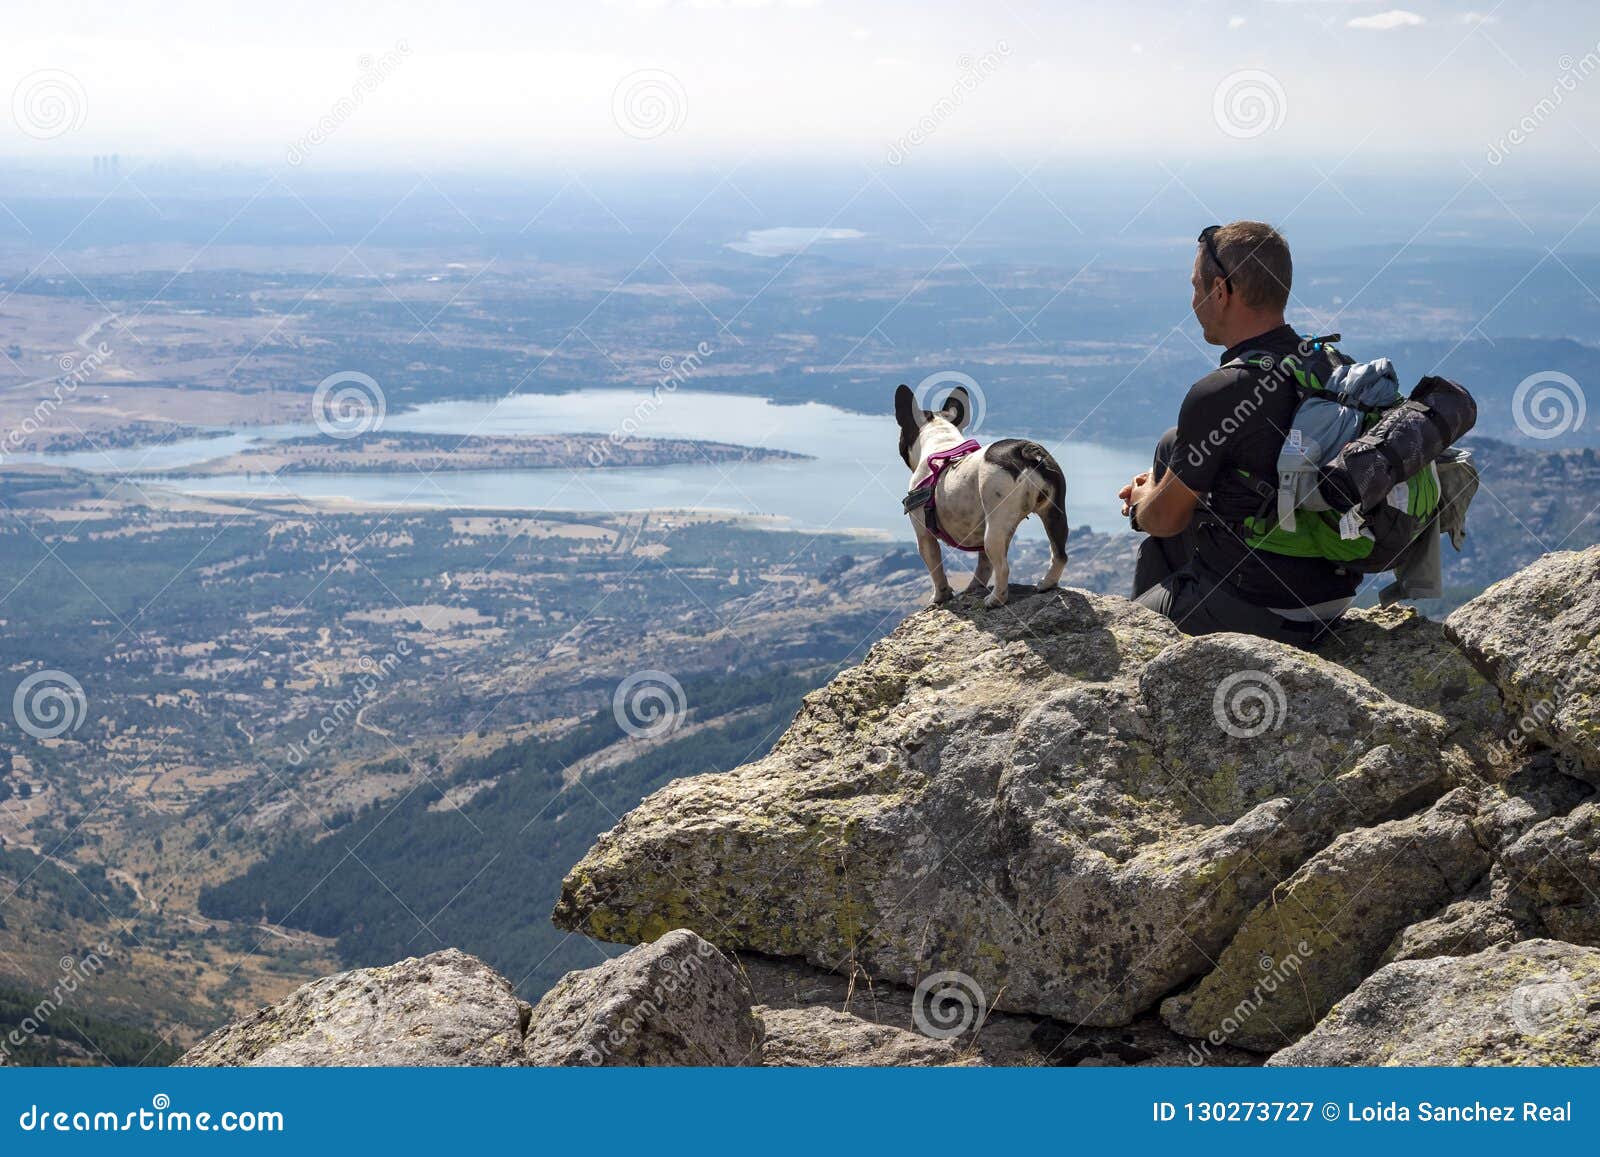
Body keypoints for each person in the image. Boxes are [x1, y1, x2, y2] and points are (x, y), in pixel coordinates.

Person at [1117, 221, 1359, 646]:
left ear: (1221, 292)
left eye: (1196, 287)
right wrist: (1164, 481)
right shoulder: (1329, 364)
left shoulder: (1221, 392)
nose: (1193, 300)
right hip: (1329, 599)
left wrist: (1143, 503)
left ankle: (1157, 658)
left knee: (1130, 632)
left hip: (1258, 608)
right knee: (1173, 445)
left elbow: (1164, 520)